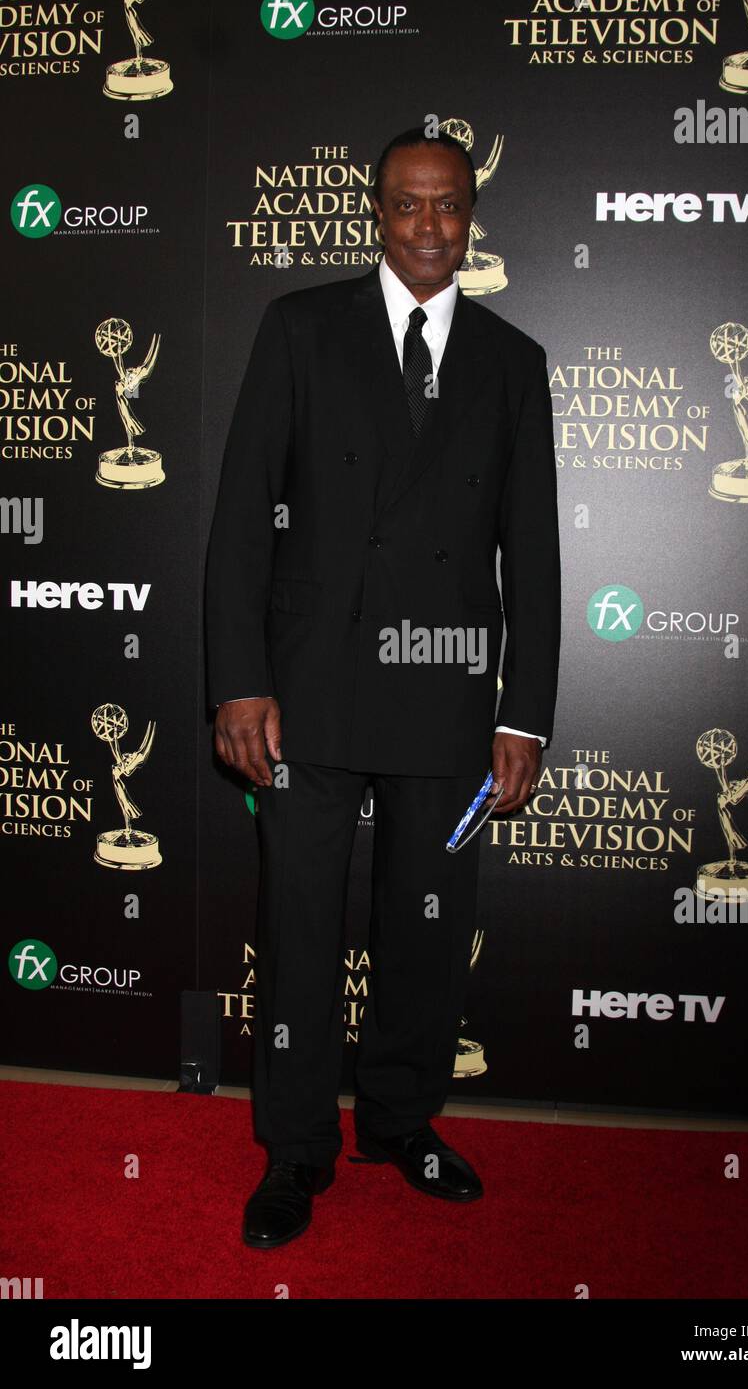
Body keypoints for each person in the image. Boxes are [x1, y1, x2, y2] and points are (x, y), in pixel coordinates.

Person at [204, 126, 561, 1249]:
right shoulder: (302, 328)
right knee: (301, 932)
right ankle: (295, 1148)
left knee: (424, 930)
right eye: (407, 205)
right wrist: (239, 683)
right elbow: (238, 526)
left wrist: (522, 709)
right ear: (375, 211)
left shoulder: (513, 361)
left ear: (470, 215)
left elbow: (533, 557)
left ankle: (404, 1123)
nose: (428, 226)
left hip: (448, 702)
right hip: (308, 697)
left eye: (447, 205)